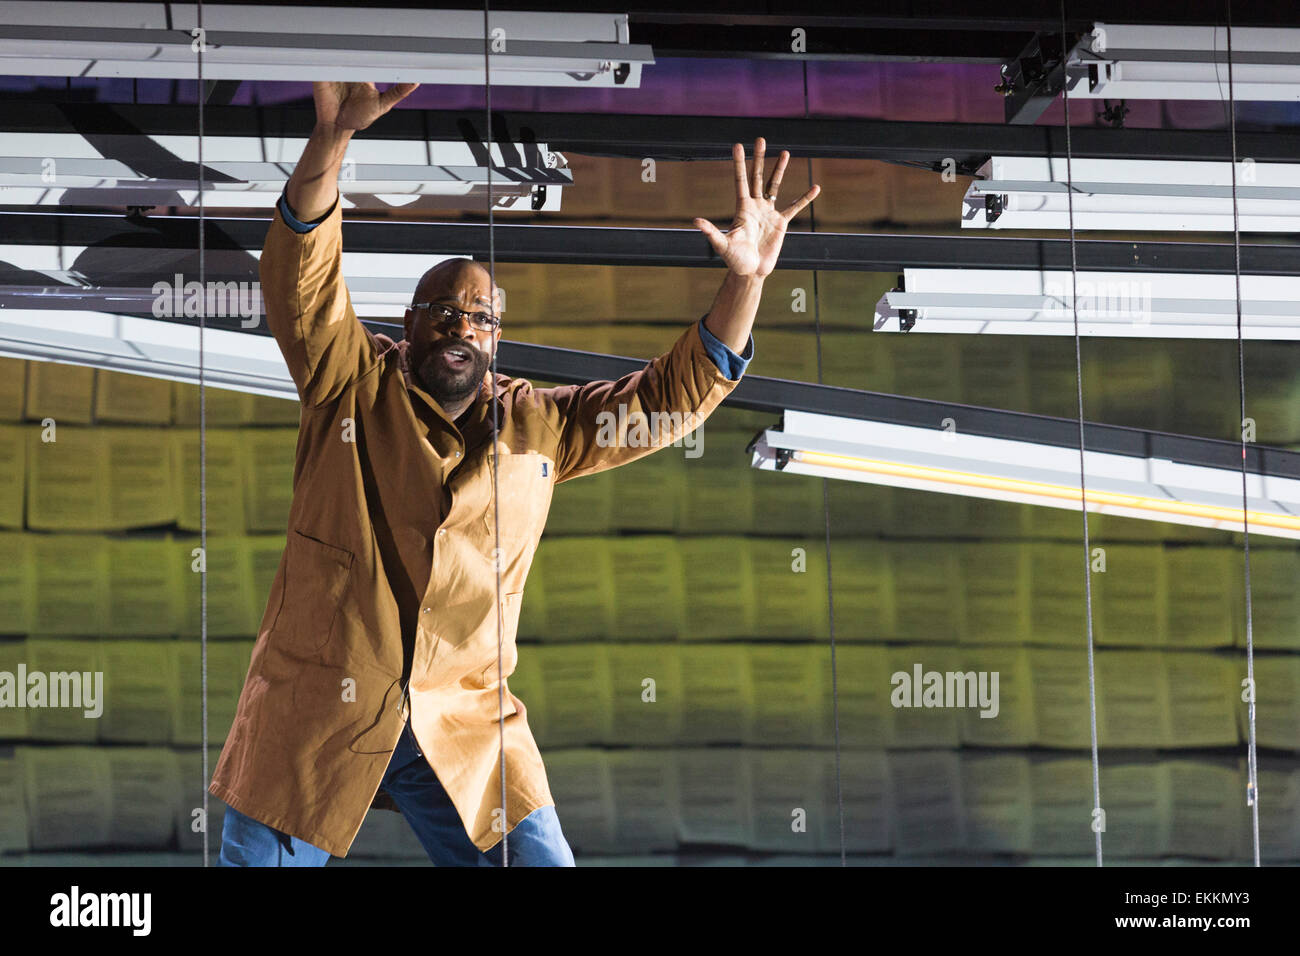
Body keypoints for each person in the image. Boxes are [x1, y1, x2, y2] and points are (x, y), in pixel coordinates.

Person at [210, 80, 821, 866]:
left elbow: (670, 400)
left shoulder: (544, 427)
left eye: (479, 316)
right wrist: (331, 140)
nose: (460, 325)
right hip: (318, 704)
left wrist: (746, 281)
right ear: (411, 323)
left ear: (497, 339)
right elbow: (301, 281)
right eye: (443, 310)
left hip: (463, 725)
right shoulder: (348, 383)